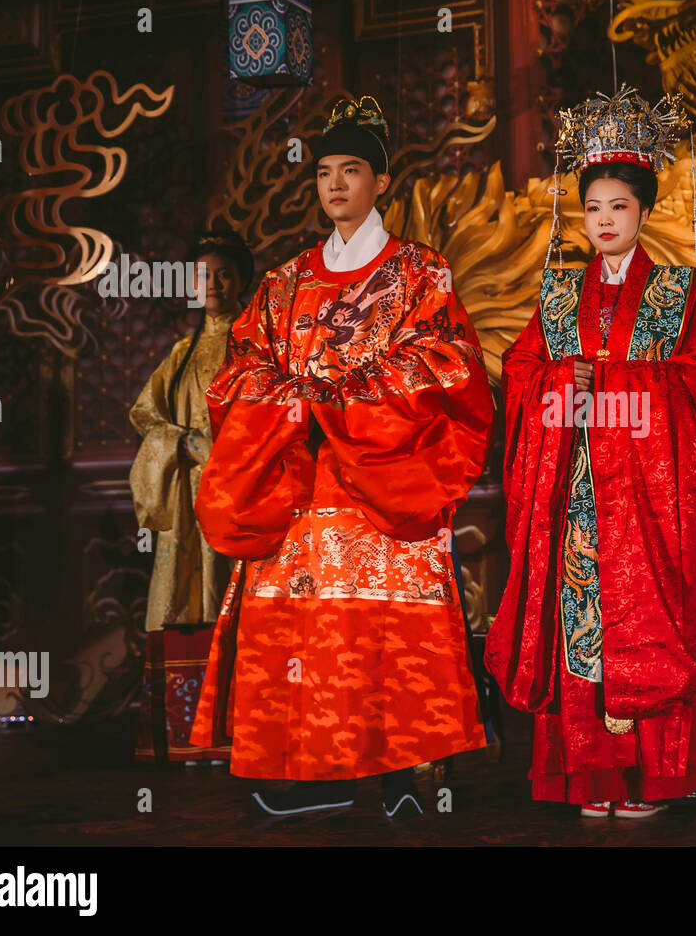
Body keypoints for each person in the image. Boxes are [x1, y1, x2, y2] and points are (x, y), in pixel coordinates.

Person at [189, 95, 495, 818]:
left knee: (383, 630)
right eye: (325, 172)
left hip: (383, 481)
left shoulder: (421, 273)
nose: (334, 185)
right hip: (300, 479)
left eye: (351, 171)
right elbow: (241, 370)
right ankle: (304, 779)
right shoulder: (285, 282)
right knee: (304, 631)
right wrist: (297, 402)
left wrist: (340, 399)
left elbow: (448, 365)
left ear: (380, 181)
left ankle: (398, 779)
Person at [486, 85, 696, 817]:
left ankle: (650, 777)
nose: (604, 221)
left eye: (619, 208)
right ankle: (591, 775)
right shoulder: (559, 296)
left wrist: (628, 387)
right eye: (594, 207)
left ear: (644, 212)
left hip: (650, 501)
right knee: (579, 622)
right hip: (574, 494)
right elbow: (521, 374)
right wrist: (568, 381)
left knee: (647, 622)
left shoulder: (674, 292)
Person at [129, 230, 252, 765]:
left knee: (240, 604)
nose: (213, 284)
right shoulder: (181, 354)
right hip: (187, 501)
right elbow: (144, 414)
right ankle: (187, 738)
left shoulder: (259, 341)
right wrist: (179, 442)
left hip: (246, 491)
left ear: (242, 279)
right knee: (188, 602)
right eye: (203, 275)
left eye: (223, 273)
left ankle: (247, 734)